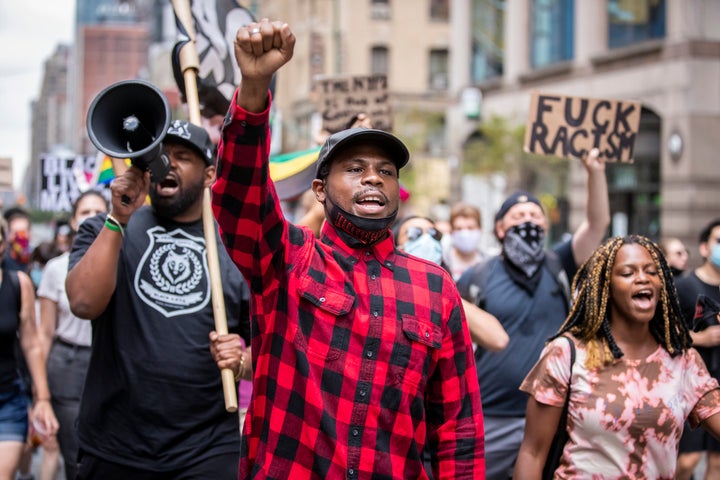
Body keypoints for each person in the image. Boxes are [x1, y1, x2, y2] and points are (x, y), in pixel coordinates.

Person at [211, 20, 484, 478]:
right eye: (354, 168)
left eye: (386, 171)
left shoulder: (435, 288)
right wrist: (255, 88)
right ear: (319, 189)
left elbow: (458, 431)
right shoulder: (288, 259)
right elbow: (240, 193)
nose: (373, 178)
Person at [65, 119, 251, 479]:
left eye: (182, 156)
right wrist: (118, 217)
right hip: (114, 445)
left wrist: (242, 361)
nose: (168, 164)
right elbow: (84, 304)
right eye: (161, 156)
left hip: (206, 449)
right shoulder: (105, 228)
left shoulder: (236, 248)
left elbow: (273, 344)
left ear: (210, 175)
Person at [456, 148, 610, 480]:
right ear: (499, 228)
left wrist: (595, 172)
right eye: (518, 215)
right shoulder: (477, 277)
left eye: (535, 214)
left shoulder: (561, 265)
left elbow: (597, 224)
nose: (528, 220)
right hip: (492, 413)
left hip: (552, 411)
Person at [514, 235, 720, 478]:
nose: (643, 278)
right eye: (628, 273)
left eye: (652, 271)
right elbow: (533, 453)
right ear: (606, 288)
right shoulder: (566, 354)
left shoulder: (682, 360)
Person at [36, 190, 109, 480]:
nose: (92, 218)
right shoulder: (56, 269)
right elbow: (44, 333)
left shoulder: (129, 259)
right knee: (75, 455)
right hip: (68, 365)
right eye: (85, 212)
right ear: (74, 220)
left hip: (111, 363)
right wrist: (39, 394)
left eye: (99, 211)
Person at [394, 215, 508, 352]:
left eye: (433, 235)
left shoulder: (446, 292)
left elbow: (498, 339)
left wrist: (439, 288)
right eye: (414, 233)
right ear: (397, 247)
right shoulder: (386, 290)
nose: (426, 240)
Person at [0, 217, 59, 480]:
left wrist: (42, 399)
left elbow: (32, 343)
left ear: (2, 244)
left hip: (8, 400)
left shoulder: (19, 284)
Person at [675, 218, 720, 480]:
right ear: (704, 248)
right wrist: (699, 339)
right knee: (687, 461)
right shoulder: (685, 286)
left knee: (717, 463)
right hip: (691, 384)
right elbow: (665, 332)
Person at [442, 202, 489, 281]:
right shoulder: (443, 262)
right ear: (451, 231)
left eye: (470, 228)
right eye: (459, 228)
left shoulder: (488, 263)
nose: (465, 234)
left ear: (480, 229)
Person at [2, 207, 32, 273]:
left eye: (23, 232)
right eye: (16, 233)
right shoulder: (3, 261)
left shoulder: (36, 259)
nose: (20, 237)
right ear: (9, 235)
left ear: (30, 234)